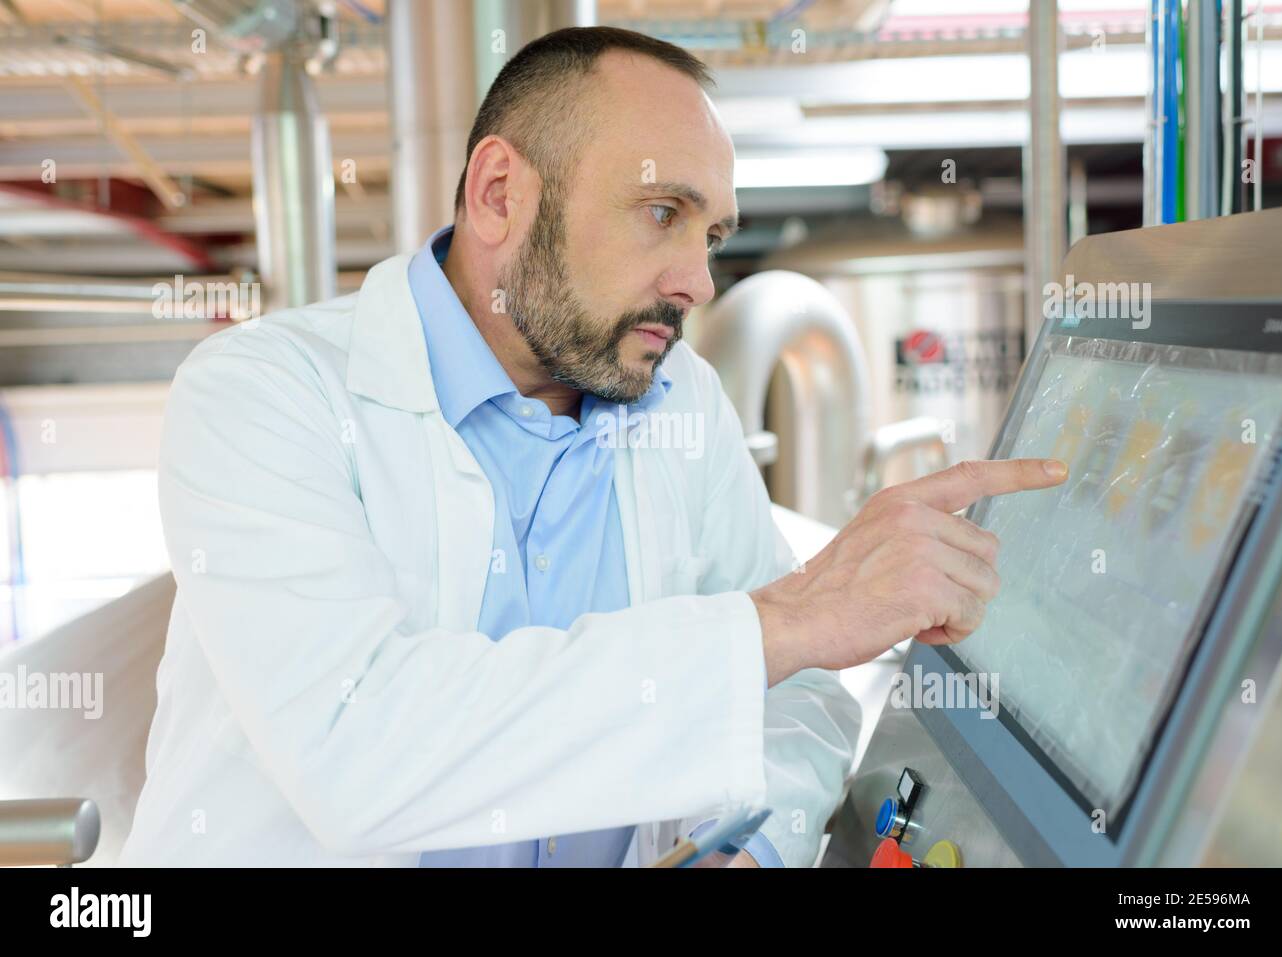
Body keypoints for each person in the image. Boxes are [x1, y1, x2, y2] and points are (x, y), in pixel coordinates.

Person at [120, 26, 1066, 868]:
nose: (699, 279)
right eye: (663, 212)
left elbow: (802, 696)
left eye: (714, 233)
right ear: (499, 193)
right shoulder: (263, 393)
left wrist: (757, 845)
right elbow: (354, 750)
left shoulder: (677, 401)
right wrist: (786, 619)